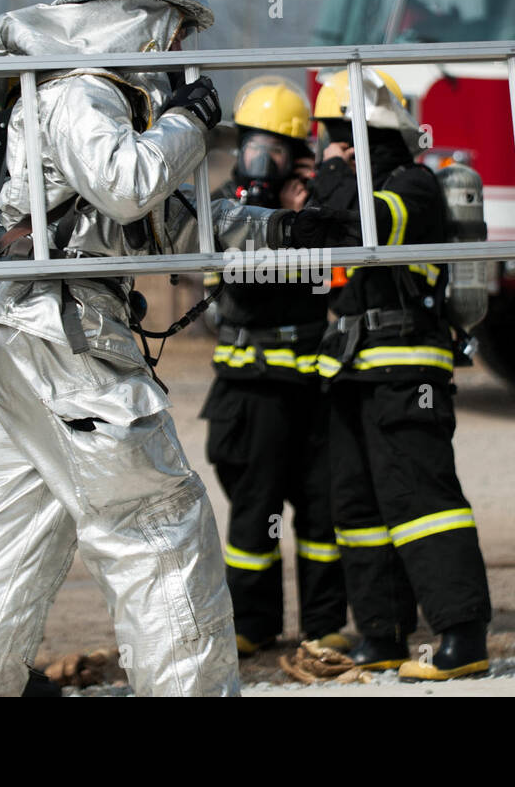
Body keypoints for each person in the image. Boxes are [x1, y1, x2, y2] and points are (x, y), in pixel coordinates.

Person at [0, 0, 347, 697]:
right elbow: (128, 181)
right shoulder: (82, 88)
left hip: (15, 344)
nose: (176, 50)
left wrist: (281, 230)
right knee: (161, 531)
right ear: (137, 19)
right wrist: (189, 120)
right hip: (66, 344)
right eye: (174, 31)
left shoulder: (67, 90)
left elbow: (170, 221)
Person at [305, 68, 492, 682]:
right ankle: (380, 634)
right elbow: (316, 224)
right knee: (357, 506)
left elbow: (367, 222)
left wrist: (335, 173)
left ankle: (462, 637)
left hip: (407, 367)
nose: (326, 148)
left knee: (422, 503)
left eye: (335, 136)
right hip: (353, 369)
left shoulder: (414, 185)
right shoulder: (349, 181)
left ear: (361, 138)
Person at [201, 76, 348, 656]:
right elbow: (237, 289)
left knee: (320, 509)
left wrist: (311, 211)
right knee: (252, 513)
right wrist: (277, 230)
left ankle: (323, 623)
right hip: (251, 388)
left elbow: (333, 275)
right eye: (252, 146)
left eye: (275, 149)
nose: (260, 160)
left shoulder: (314, 204)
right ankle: (250, 623)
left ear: (297, 156)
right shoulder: (221, 205)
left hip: (311, 387)